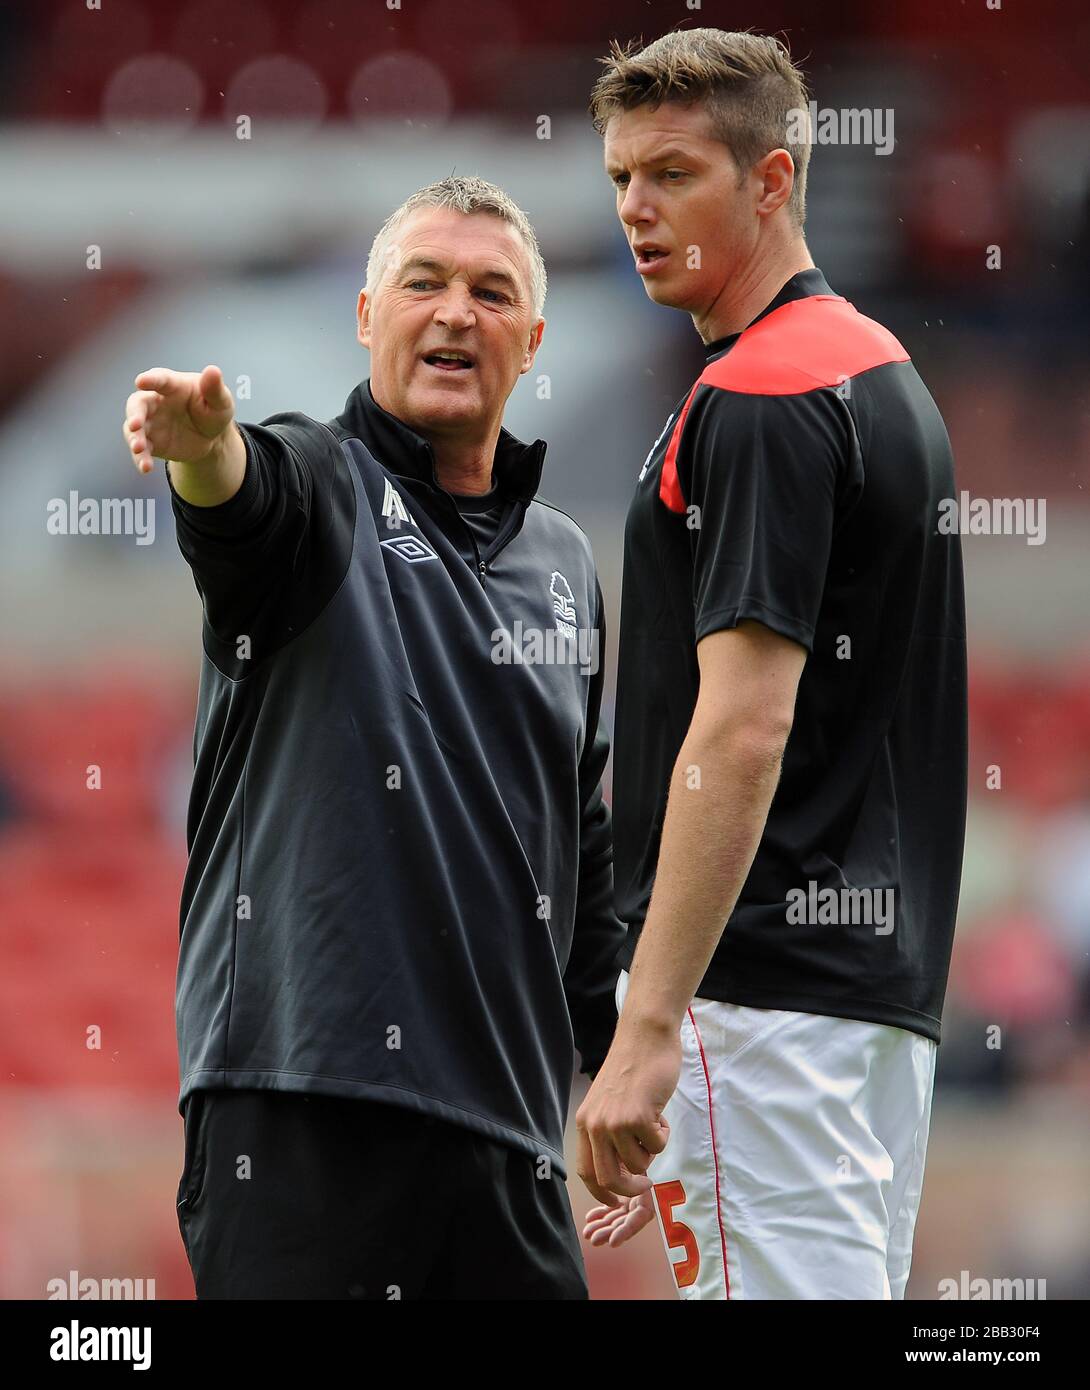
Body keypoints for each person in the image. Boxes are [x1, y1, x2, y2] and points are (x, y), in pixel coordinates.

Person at [122, 175, 624, 1300]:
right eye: (424, 282)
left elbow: (575, 846)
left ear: (531, 338)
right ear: (366, 316)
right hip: (305, 1114)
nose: (456, 311)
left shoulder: (568, 568)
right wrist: (205, 454)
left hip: (510, 1142)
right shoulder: (322, 482)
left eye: (492, 293)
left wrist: (623, 1061)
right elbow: (246, 504)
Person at [577, 29, 968, 1300]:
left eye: (673, 173)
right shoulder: (883, 378)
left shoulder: (760, 398)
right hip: (860, 1006)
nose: (636, 206)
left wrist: (647, 1034)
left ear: (773, 181)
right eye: (621, 176)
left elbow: (742, 729)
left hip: (754, 1004)